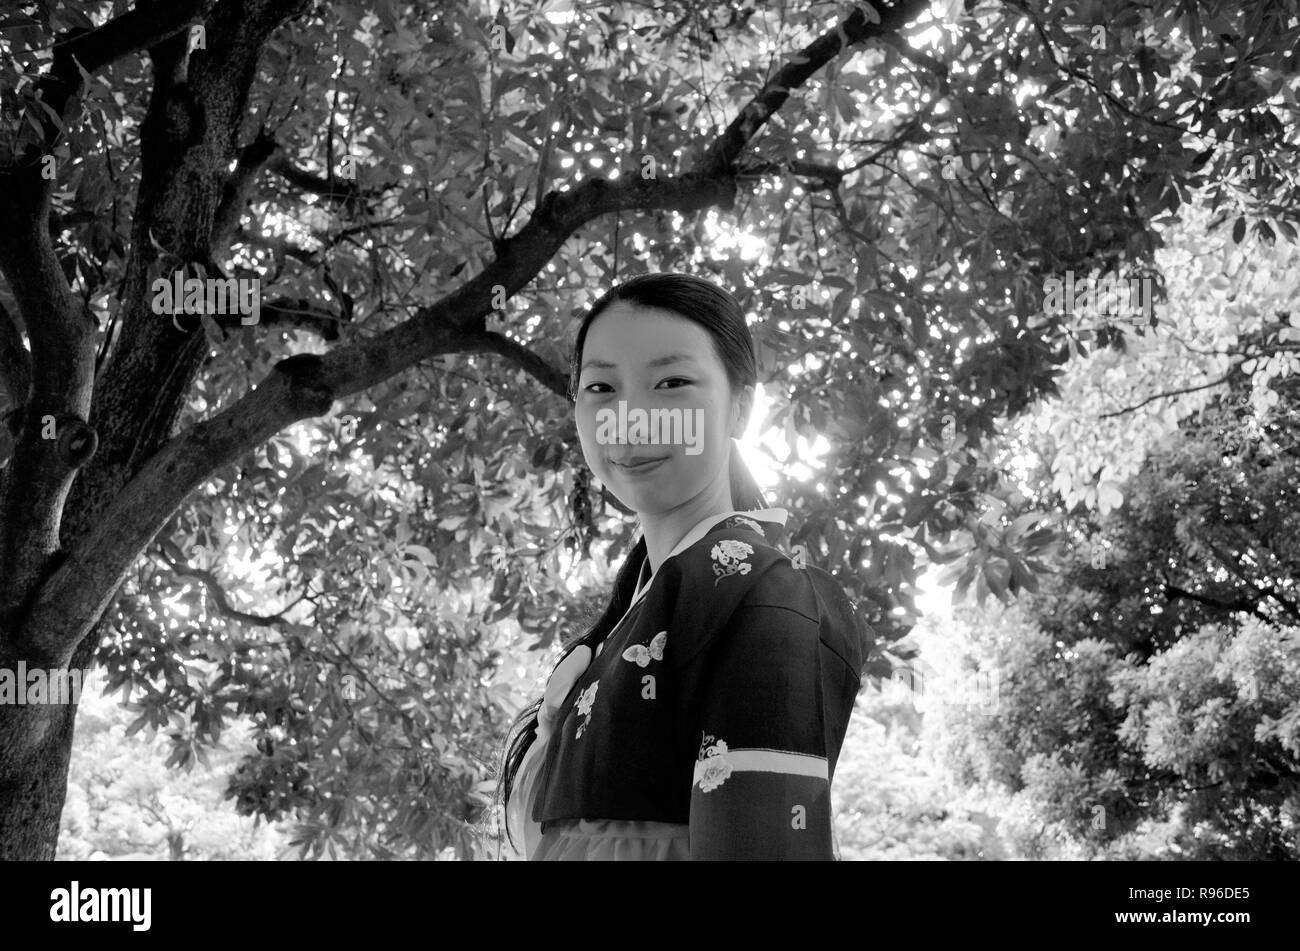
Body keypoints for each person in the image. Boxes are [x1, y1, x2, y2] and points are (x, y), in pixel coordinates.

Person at [497, 272, 870, 860]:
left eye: (671, 382)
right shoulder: (627, 621)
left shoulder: (765, 590)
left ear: (739, 409)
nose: (633, 418)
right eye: (600, 389)